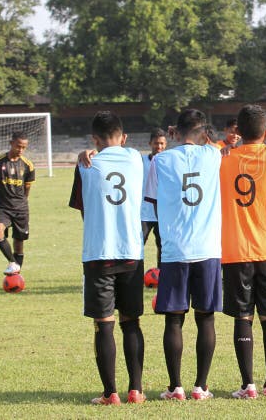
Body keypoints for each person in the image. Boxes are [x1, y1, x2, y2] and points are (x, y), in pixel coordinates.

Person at [144, 108, 223, 400]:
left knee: (174, 320)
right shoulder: (213, 155)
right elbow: (213, 141)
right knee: (206, 319)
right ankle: (201, 387)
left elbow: (153, 202)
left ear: (175, 132)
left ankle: (175, 387)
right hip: (207, 248)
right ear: (203, 132)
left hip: (175, 249)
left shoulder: (161, 160)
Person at [68, 111, 146, 405]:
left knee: (104, 324)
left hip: (99, 253)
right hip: (131, 252)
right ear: (123, 137)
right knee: (131, 322)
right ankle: (136, 390)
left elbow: (83, 208)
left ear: (94, 139)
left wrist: (84, 155)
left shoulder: (85, 165)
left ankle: (110, 393)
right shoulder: (136, 159)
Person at [220, 105, 266, 399]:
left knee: (243, 317)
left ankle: (248, 385)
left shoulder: (223, 159)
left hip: (236, 250)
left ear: (237, 131)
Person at [0, 131, 35, 276]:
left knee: (19, 244)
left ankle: (16, 277)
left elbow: (27, 189)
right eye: (18, 146)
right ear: (11, 143)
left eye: (24, 147)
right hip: (3, 208)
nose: (21, 150)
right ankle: (12, 262)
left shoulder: (28, 166)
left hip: (20, 209)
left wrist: (22, 204)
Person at [141, 128, 167, 268]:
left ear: (166, 144)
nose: (159, 146)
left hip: (162, 213)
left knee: (163, 248)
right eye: (156, 143)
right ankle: (135, 276)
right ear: (150, 143)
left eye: (162, 143)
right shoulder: (141, 161)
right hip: (144, 214)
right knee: (138, 246)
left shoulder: (169, 162)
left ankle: (161, 275)